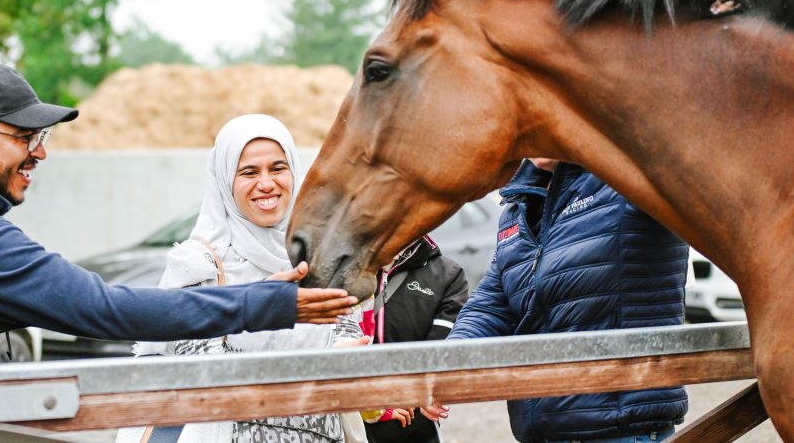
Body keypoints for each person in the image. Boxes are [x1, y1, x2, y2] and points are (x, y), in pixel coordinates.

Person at [0, 64, 357, 365]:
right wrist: (267, 304)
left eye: (41, 138)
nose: (40, 153)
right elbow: (108, 309)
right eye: (25, 137)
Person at [120, 114, 366, 443]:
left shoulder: (319, 258)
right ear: (225, 180)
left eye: (277, 168)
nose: (266, 184)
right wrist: (261, 307)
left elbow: (346, 341)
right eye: (249, 172)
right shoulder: (198, 266)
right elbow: (193, 373)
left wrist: (353, 359)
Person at [447, 159, 689, 442]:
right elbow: (489, 308)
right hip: (547, 433)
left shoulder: (624, 178)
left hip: (621, 430)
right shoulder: (518, 206)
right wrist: (442, 371)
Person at [357, 235, 468, 443]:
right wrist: (372, 403)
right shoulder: (351, 267)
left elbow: (440, 351)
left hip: (413, 422)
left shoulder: (448, 274)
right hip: (353, 419)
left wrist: (427, 391)